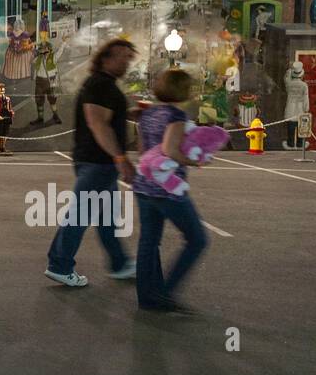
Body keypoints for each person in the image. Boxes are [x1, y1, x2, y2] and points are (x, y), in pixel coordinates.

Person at [44, 38, 138, 288]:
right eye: (123, 56)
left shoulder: (102, 85)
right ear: (106, 58)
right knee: (81, 214)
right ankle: (59, 265)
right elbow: (98, 123)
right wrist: (120, 157)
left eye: (130, 57)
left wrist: (129, 114)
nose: (127, 62)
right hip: (97, 162)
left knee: (107, 216)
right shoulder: (101, 85)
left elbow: (104, 116)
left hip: (99, 162)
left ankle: (119, 263)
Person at [133, 68, 210, 314]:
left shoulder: (147, 115)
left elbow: (142, 150)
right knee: (197, 239)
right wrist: (194, 161)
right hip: (168, 189)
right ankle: (166, 292)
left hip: (144, 185)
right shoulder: (176, 116)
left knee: (148, 242)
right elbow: (170, 151)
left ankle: (147, 297)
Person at [31, 39, 61, 125]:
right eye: (41, 49)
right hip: (39, 82)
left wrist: (63, 42)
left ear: (49, 49)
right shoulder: (38, 58)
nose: (43, 50)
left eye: (45, 49)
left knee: (52, 100)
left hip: (50, 82)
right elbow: (32, 57)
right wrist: (34, 46)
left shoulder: (53, 57)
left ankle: (55, 116)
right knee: (39, 100)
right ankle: (40, 118)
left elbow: (60, 51)